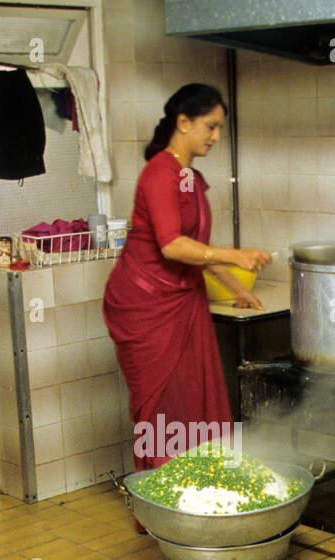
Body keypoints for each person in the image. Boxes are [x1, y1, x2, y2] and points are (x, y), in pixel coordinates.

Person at [102, 83, 272, 478]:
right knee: (165, 406)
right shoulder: (160, 172)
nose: (216, 137)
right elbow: (172, 246)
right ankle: (166, 497)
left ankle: (200, 488)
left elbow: (197, 247)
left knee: (195, 399)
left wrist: (239, 289)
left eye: (219, 129)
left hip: (183, 302)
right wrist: (239, 255)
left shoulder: (188, 177)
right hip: (146, 307)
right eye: (210, 127)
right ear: (183, 122)